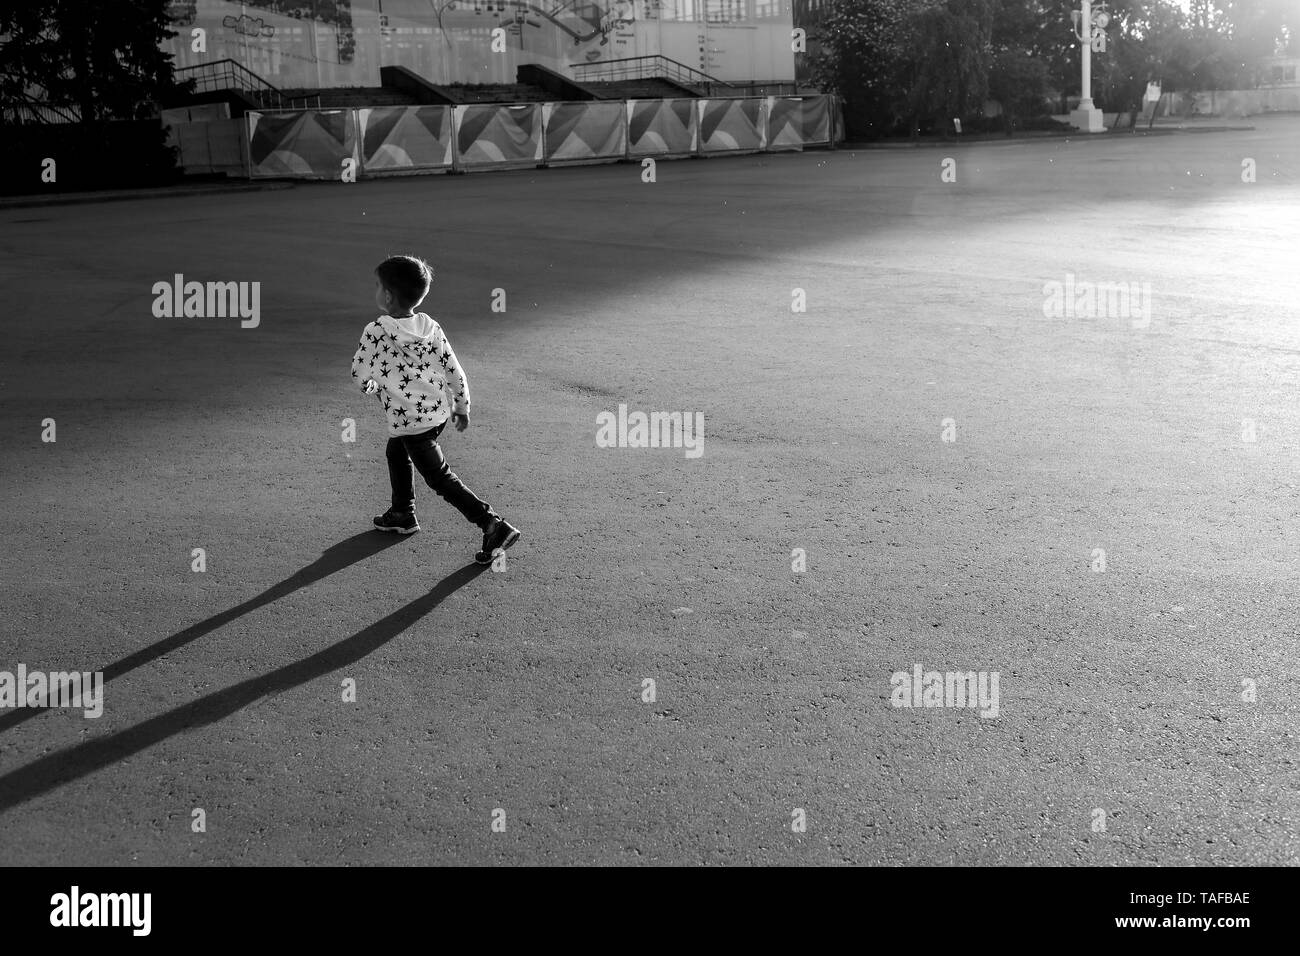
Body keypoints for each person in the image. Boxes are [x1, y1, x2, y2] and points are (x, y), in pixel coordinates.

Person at [351, 255, 519, 564]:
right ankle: (403, 512)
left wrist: (376, 388)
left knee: (440, 478)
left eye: (378, 286)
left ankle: (491, 523)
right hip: (436, 413)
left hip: (410, 421)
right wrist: (462, 406)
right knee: (396, 451)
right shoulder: (430, 326)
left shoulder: (376, 331)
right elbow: (453, 369)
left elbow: (359, 375)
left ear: (388, 296)